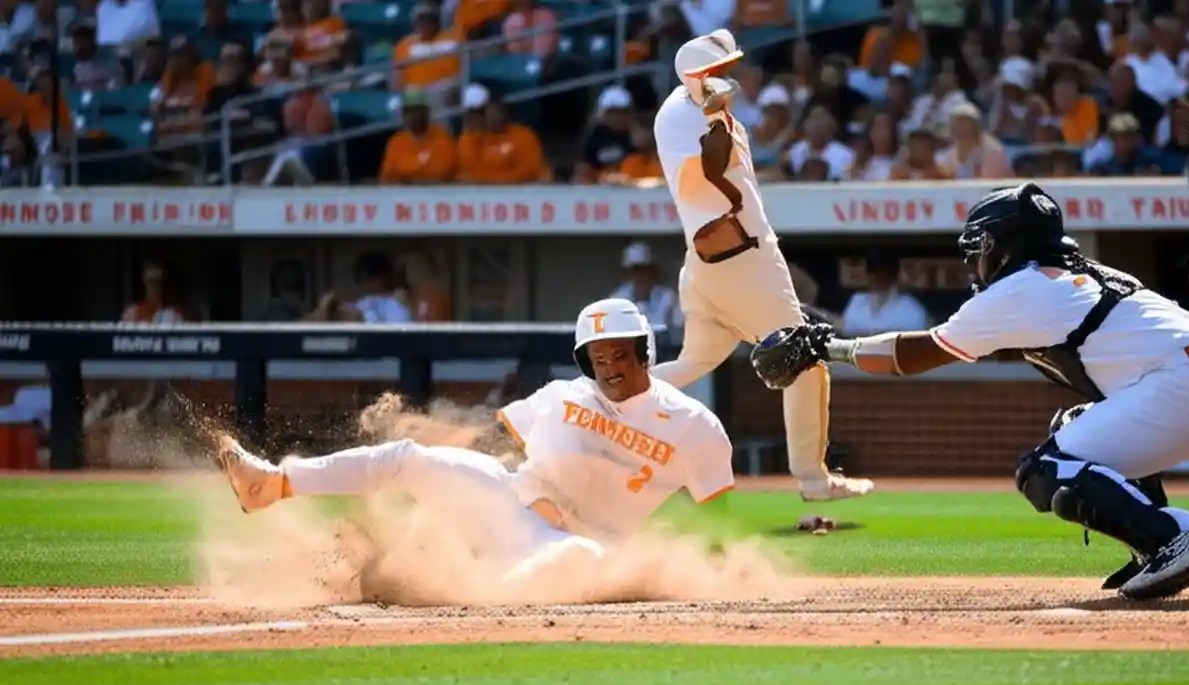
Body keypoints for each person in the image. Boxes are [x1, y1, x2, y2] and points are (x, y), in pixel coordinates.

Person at [752, 183, 1189, 600]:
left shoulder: (1022, 287)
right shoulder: (1072, 275)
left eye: (981, 246)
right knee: (1072, 430)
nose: (975, 260)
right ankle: (1156, 544)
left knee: (1044, 469)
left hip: (1186, 387)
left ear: (1006, 244)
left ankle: (1173, 537)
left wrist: (829, 349)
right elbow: (1009, 350)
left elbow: (918, 354)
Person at [217, 298, 736, 583]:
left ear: (644, 351)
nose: (608, 366)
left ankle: (446, 585)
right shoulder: (561, 394)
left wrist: (705, 564)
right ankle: (271, 484)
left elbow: (715, 511)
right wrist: (444, 440)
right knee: (407, 458)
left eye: (619, 353)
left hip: (577, 543)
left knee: (571, 562)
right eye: (597, 357)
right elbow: (496, 438)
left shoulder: (694, 424)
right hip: (508, 501)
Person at [651, 28, 872, 502]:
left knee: (694, 362)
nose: (724, 76)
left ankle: (585, 403)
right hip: (738, 258)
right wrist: (714, 109)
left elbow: (732, 166)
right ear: (695, 75)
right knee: (805, 359)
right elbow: (711, 169)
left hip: (712, 262)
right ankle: (814, 481)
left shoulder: (700, 107)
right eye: (713, 71)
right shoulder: (680, 115)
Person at [840, 252, 930, 336]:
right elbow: (845, 331)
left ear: (893, 276)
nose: (876, 278)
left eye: (882, 273)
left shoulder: (910, 307)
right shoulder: (856, 301)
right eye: (872, 272)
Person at [610, 241, 681, 331]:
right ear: (628, 273)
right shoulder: (618, 298)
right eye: (636, 270)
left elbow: (678, 328)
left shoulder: (668, 296)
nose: (641, 275)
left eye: (645, 269)